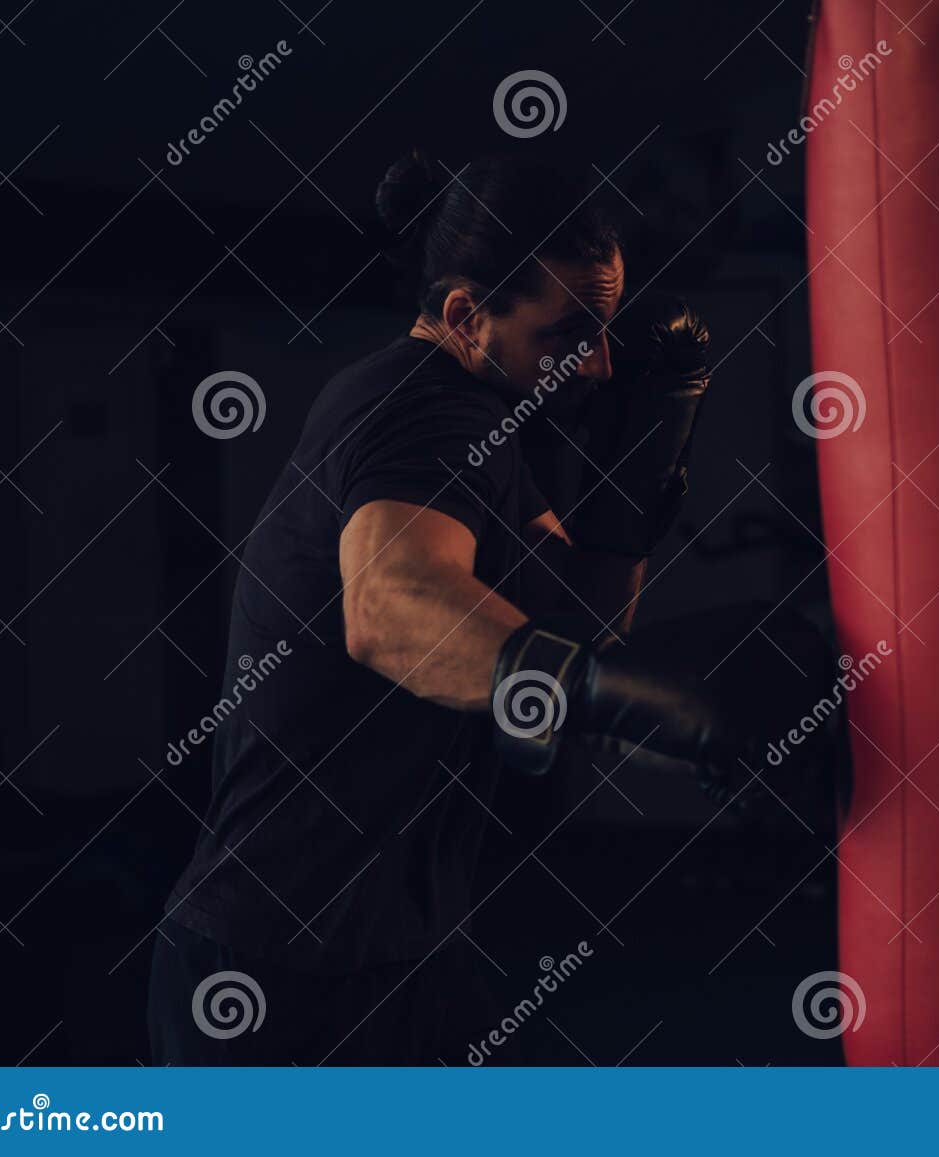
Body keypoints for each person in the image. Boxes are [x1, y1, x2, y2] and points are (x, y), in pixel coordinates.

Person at [147, 148, 759, 1065]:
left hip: (401, 949)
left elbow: (576, 633)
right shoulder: (416, 408)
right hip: (280, 972)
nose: (598, 365)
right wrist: (613, 694)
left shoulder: (485, 427)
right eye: (570, 333)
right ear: (468, 316)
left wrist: (632, 496)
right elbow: (392, 609)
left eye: (605, 331)